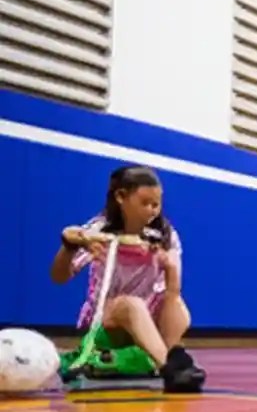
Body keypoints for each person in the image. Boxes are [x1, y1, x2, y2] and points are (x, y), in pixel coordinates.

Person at [52, 165, 205, 392]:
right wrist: (70, 246)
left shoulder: (165, 235)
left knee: (179, 308)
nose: (152, 210)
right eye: (145, 203)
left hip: (146, 320)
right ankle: (168, 368)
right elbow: (59, 276)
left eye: (156, 204)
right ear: (121, 197)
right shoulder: (100, 230)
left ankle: (170, 356)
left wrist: (172, 271)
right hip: (108, 319)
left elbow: (172, 295)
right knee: (132, 305)